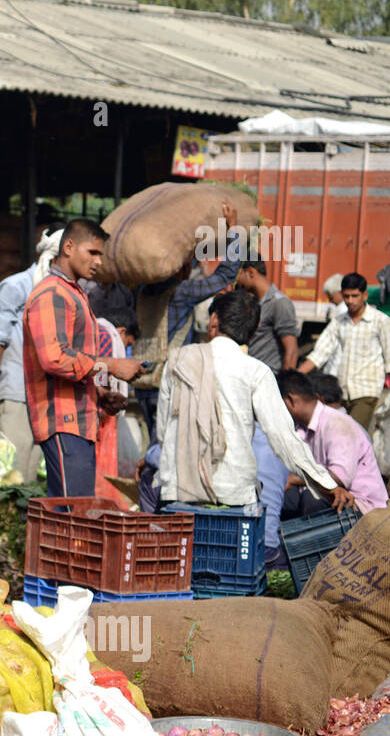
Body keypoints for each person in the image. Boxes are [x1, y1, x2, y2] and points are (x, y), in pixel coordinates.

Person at [156, 290, 354, 515]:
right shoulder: (256, 371)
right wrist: (327, 484)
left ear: (214, 321)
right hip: (234, 494)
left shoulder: (177, 360)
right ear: (254, 329)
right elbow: (283, 438)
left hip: (177, 490)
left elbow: (163, 430)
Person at [22, 218, 143, 498]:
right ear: (68, 247)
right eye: (93, 252)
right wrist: (114, 365)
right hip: (62, 419)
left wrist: (99, 393)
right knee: (71, 516)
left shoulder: (74, 293)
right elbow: (54, 358)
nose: (99, 262)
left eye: (101, 255)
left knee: (71, 514)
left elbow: (78, 359)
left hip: (78, 418)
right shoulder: (52, 293)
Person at [132, 200, 243, 445]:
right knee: (167, 449)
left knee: (150, 446)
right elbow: (225, 275)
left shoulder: (141, 292)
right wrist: (234, 230)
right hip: (167, 383)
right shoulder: (180, 293)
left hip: (141, 381)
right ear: (179, 267)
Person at [0, 225, 63, 485]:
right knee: (10, 475)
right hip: (16, 393)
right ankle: (4, 526)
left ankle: (25, 526)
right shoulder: (16, 286)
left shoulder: (61, 291)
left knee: (33, 476)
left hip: (46, 396)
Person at [235, 257, 300, 565]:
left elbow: (290, 347)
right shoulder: (254, 303)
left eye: (238, 274)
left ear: (251, 272)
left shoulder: (279, 303)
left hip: (269, 386)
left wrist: (283, 389)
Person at [298, 273, 390, 431]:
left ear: (365, 295)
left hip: (367, 392)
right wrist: (294, 376)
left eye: (355, 296)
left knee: (352, 433)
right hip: (343, 392)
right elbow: (319, 355)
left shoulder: (380, 321)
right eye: (347, 296)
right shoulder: (339, 321)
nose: (350, 301)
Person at [277, 370, 388, 518]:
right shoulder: (302, 428)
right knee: (282, 497)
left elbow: (339, 477)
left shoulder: (337, 424)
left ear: (290, 401)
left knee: (311, 500)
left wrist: (294, 479)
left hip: (362, 506)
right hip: (334, 496)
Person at [94, 308, 137, 508]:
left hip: (98, 408)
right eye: (128, 342)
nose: (126, 347)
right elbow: (101, 366)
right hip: (100, 412)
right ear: (121, 332)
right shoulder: (105, 335)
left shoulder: (98, 329)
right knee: (100, 470)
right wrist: (104, 395)